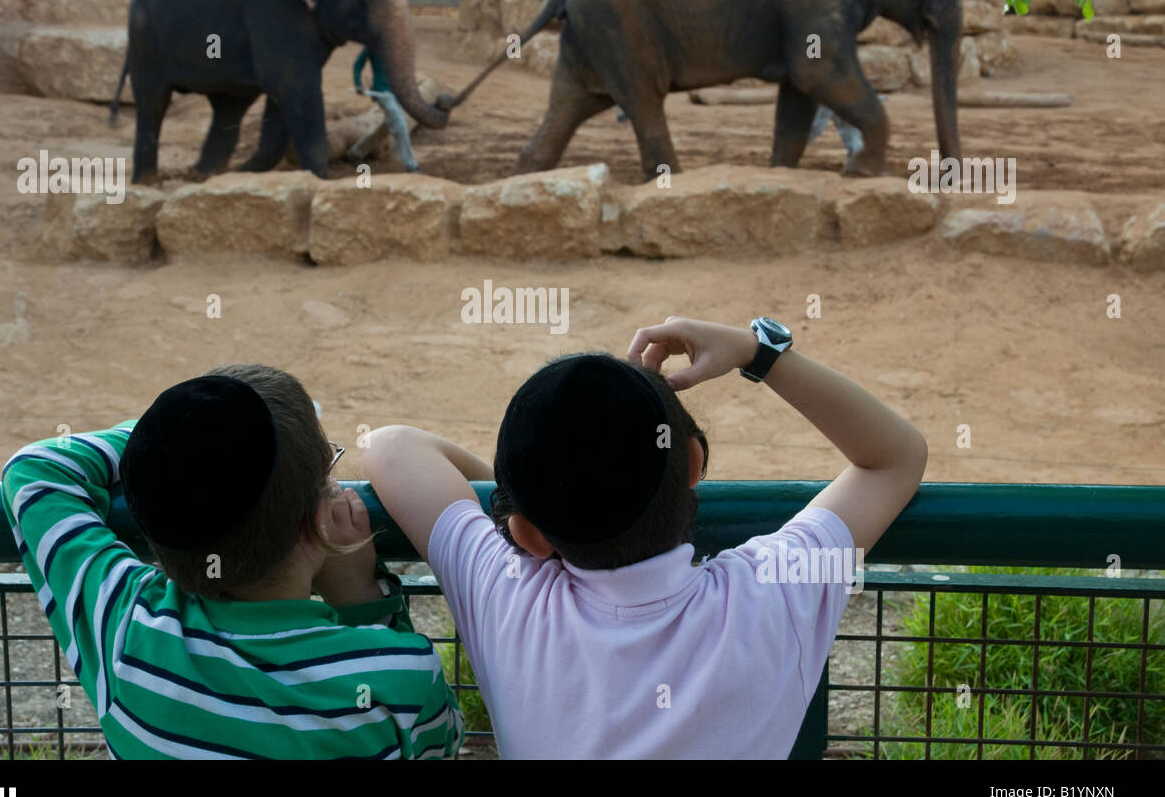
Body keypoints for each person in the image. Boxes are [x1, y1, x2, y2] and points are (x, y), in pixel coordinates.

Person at [362, 316, 927, 758]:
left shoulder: (505, 593)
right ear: (694, 461)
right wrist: (757, 352)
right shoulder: (770, 595)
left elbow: (391, 446)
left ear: (528, 538)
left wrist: (540, 499)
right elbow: (894, 458)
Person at [1, 363, 463, 759]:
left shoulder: (126, 632)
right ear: (318, 521)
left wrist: (173, 441)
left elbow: (35, 471)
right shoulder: (400, 679)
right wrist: (363, 601)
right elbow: (442, 744)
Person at [350, 47, 419, 172]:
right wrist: (358, 83)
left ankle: (356, 152)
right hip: (382, 93)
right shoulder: (374, 43)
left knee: (386, 128)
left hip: (396, 93)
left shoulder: (396, 43)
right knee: (400, 125)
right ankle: (411, 165)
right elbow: (358, 63)